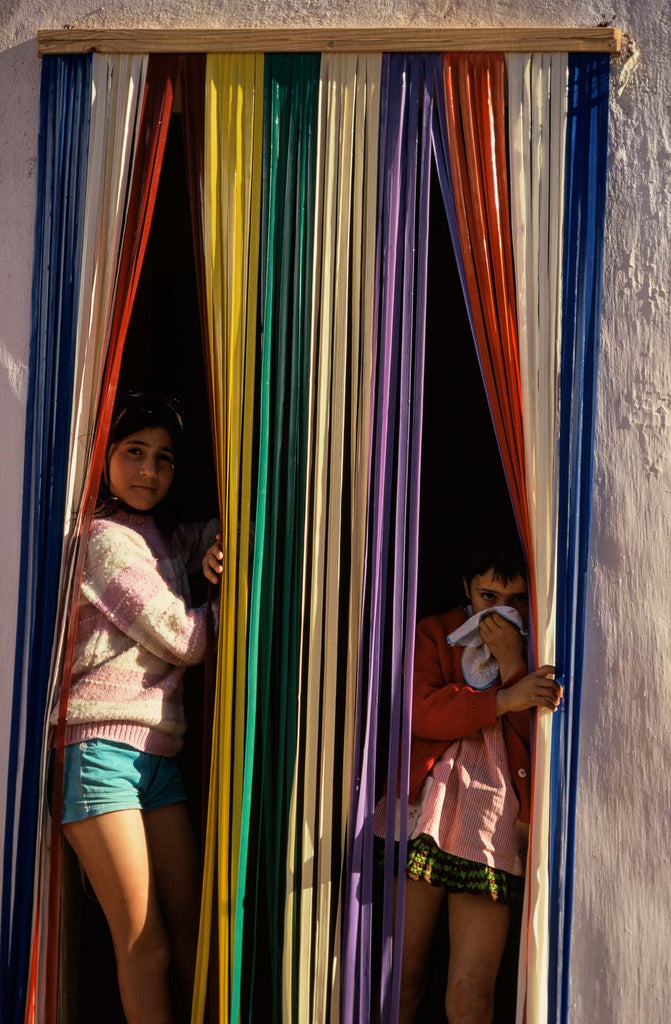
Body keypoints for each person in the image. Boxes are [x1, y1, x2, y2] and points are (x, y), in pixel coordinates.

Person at [52, 394, 223, 1024]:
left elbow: (205, 533)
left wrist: (218, 548)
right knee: (146, 948)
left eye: (164, 459)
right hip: (100, 756)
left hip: (160, 757)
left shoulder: (164, 533)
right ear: (106, 456)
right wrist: (227, 603)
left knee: (191, 937)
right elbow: (186, 636)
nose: (149, 470)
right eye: (134, 452)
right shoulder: (102, 538)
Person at [376, 529, 561, 1024]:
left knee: (472, 993)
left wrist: (513, 666)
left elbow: (539, 736)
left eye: (516, 599)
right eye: (488, 597)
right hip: (426, 820)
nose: (500, 612)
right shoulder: (435, 633)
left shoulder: (541, 646)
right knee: (401, 978)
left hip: (493, 827)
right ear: (465, 587)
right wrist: (502, 699)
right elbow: (419, 712)